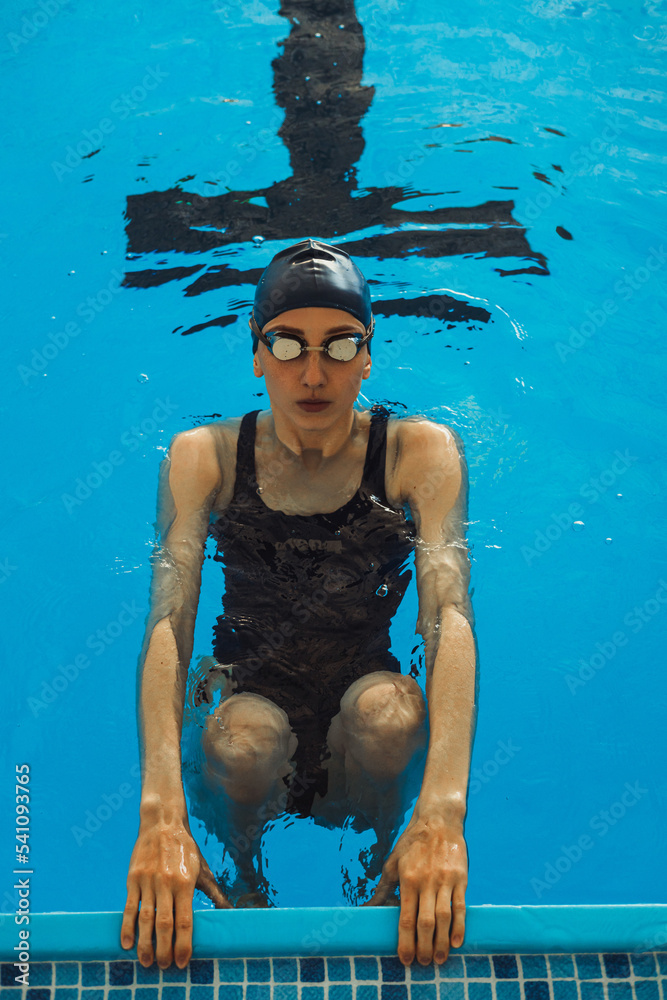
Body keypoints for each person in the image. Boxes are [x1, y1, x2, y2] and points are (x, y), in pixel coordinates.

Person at [121, 239, 478, 972]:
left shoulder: (417, 453)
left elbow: (449, 616)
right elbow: (169, 621)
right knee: (238, 737)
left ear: (368, 354)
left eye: (339, 345)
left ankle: (387, 860)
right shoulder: (205, 456)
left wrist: (442, 814)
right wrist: (160, 814)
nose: (313, 374)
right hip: (251, 700)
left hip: (362, 705)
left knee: (393, 714)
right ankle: (241, 880)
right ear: (257, 352)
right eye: (287, 345)